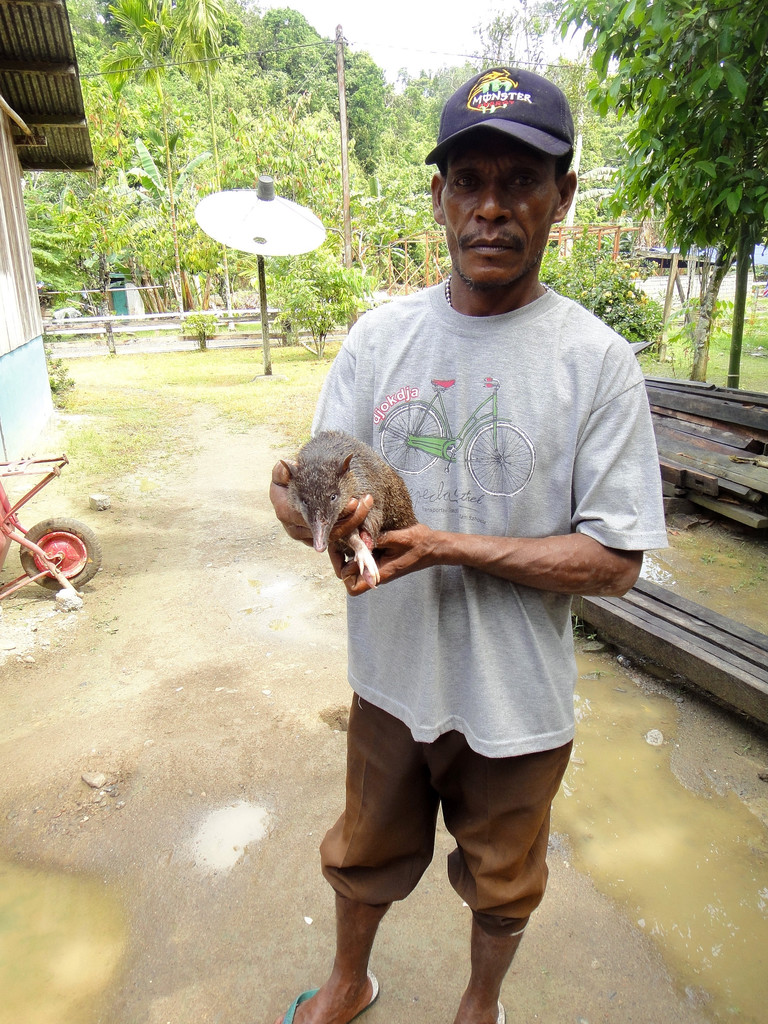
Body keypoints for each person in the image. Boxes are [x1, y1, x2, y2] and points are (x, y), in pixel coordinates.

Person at [268, 66, 668, 1024]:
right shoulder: (378, 340)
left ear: (561, 197)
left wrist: (447, 545)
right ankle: (349, 981)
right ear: (440, 196)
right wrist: (303, 511)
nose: (493, 208)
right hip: (394, 680)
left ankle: (479, 1005)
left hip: (518, 702)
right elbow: (311, 489)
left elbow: (615, 563)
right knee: (363, 855)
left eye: (521, 181)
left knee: (502, 883)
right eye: (471, 182)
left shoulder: (597, 365)